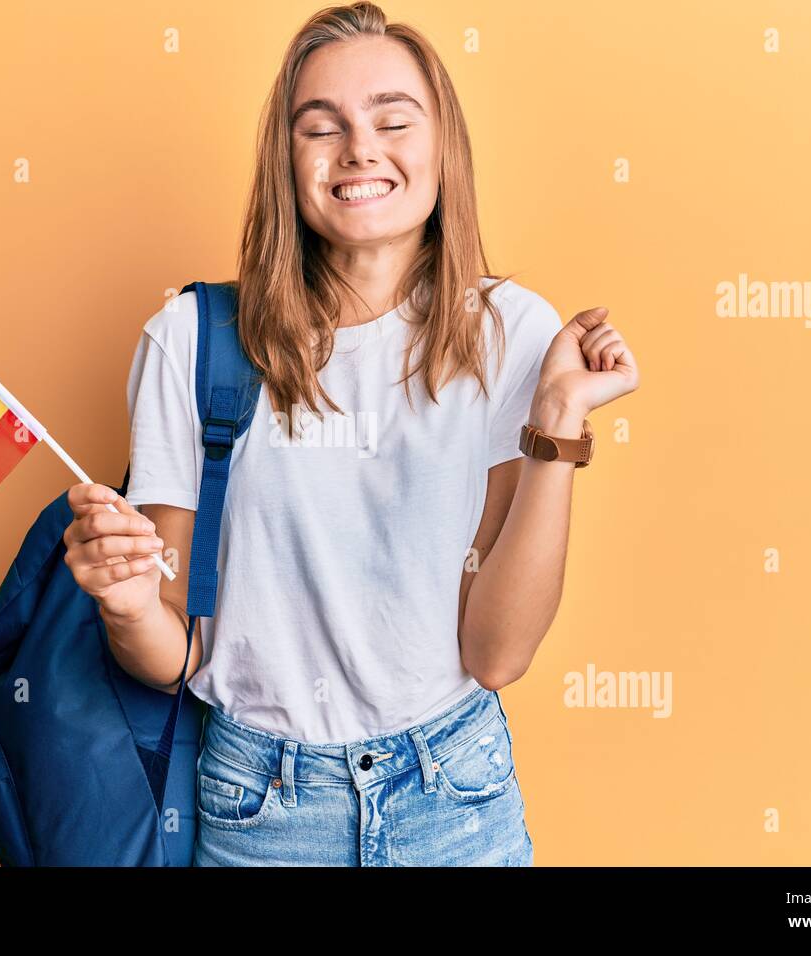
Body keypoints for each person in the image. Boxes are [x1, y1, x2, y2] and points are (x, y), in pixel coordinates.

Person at [63, 1, 639, 866]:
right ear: (285, 163)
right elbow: (172, 655)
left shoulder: (512, 334)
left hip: (456, 794)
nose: (360, 148)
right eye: (319, 127)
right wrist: (128, 604)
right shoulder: (190, 341)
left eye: (392, 120)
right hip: (260, 807)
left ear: (441, 147)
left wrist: (556, 426)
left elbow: (497, 653)